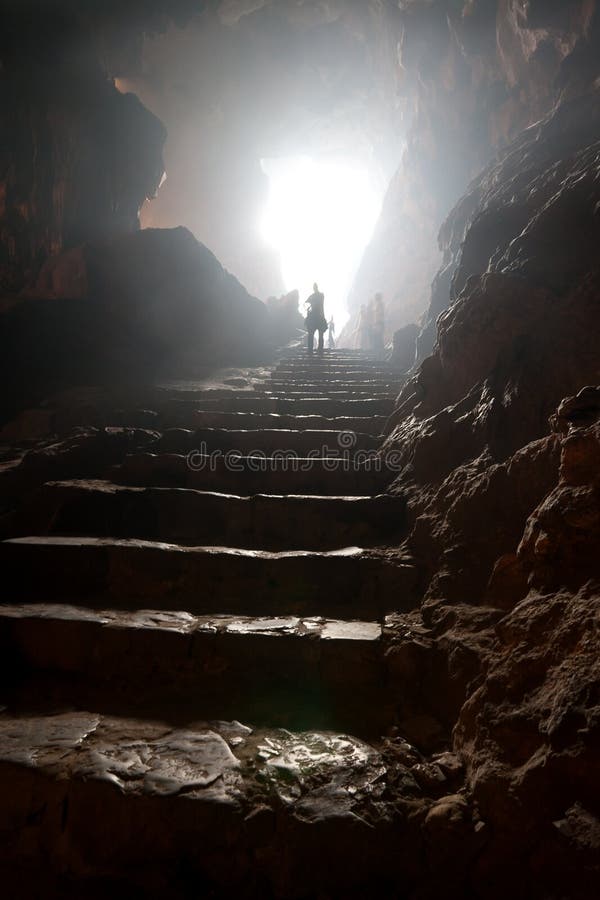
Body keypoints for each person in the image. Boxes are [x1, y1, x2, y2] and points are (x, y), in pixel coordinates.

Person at [304, 282, 328, 354]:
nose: (315, 288)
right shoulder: (316, 296)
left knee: (319, 334)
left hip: (317, 316)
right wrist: (308, 308)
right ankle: (312, 350)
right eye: (314, 287)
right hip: (315, 316)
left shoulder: (319, 295)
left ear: (316, 287)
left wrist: (309, 308)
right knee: (312, 334)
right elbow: (305, 304)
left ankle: (318, 350)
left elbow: (321, 306)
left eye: (315, 286)